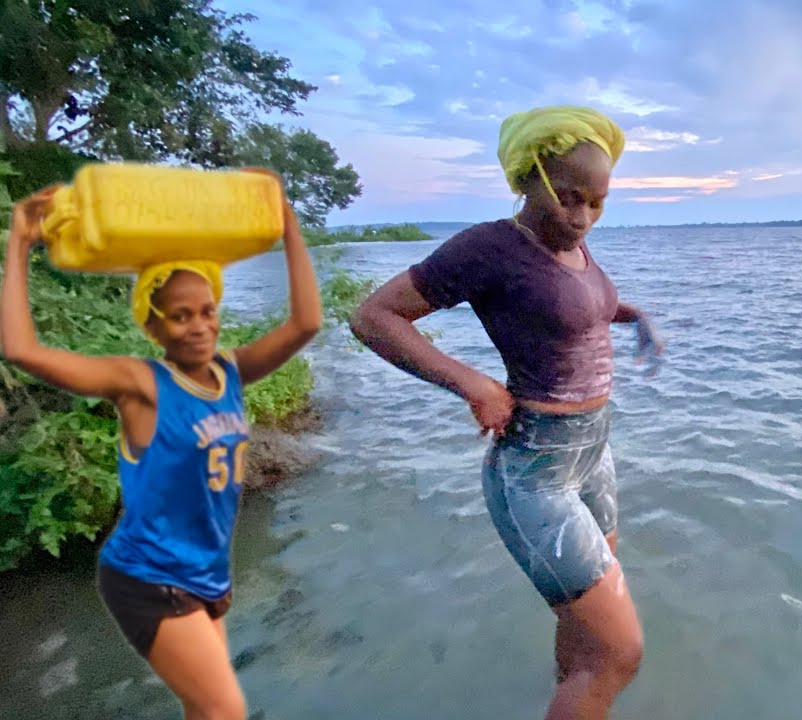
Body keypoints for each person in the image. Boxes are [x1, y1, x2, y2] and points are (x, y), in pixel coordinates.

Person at [350, 105, 663, 720]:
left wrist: (633, 315)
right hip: (536, 470)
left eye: (597, 203)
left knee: (584, 638)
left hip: (594, 456)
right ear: (527, 180)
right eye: (569, 199)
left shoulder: (573, 249)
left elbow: (570, 306)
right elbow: (374, 317)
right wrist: (471, 383)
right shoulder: (490, 247)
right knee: (619, 653)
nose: (582, 219)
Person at [0, 174, 322, 720]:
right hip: (148, 576)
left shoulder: (231, 372)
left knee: (203, 711)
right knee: (224, 711)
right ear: (153, 324)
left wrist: (287, 222)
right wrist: (20, 241)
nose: (199, 326)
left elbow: (306, 322)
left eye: (206, 310)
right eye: (180, 315)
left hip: (208, 572)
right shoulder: (140, 383)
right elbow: (21, 349)